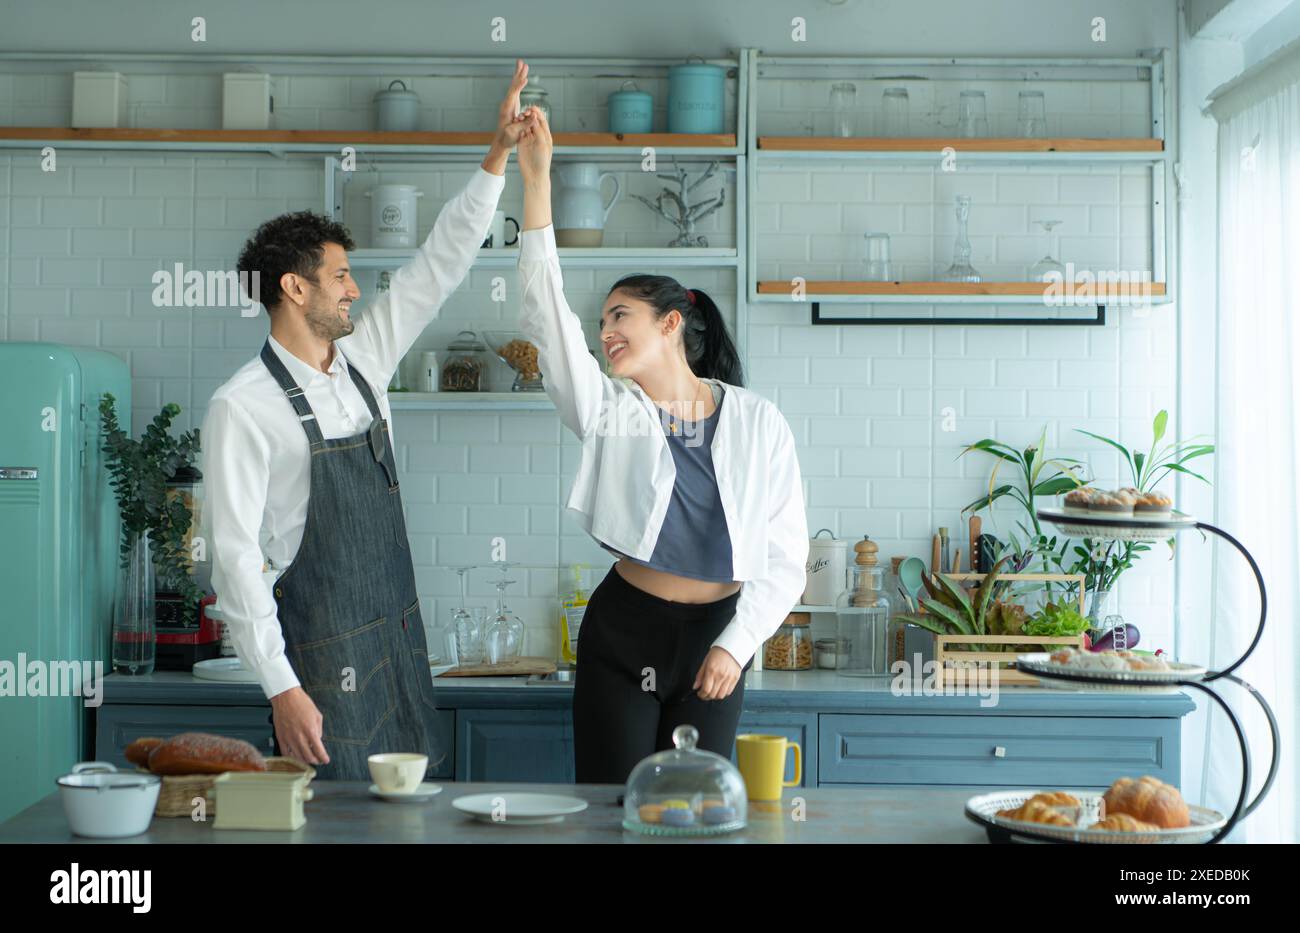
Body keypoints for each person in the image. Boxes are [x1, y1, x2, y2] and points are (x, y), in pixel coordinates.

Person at [204, 61, 535, 781]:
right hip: (321, 672)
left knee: (414, 824)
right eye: (341, 276)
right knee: (333, 827)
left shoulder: (366, 360)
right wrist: (281, 687)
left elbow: (440, 263)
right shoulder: (241, 406)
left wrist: (497, 154)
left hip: (404, 656)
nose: (356, 289)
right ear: (294, 288)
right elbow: (233, 560)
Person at [512, 102, 810, 784]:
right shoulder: (611, 412)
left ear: (672, 323)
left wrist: (735, 647)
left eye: (620, 316)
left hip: (717, 634)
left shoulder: (760, 421)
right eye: (601, 321)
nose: (605, 331)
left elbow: (785, 557)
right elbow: (543, 312)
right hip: (624, 630)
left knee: (697, 811)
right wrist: (536, 179)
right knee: (610, 809)